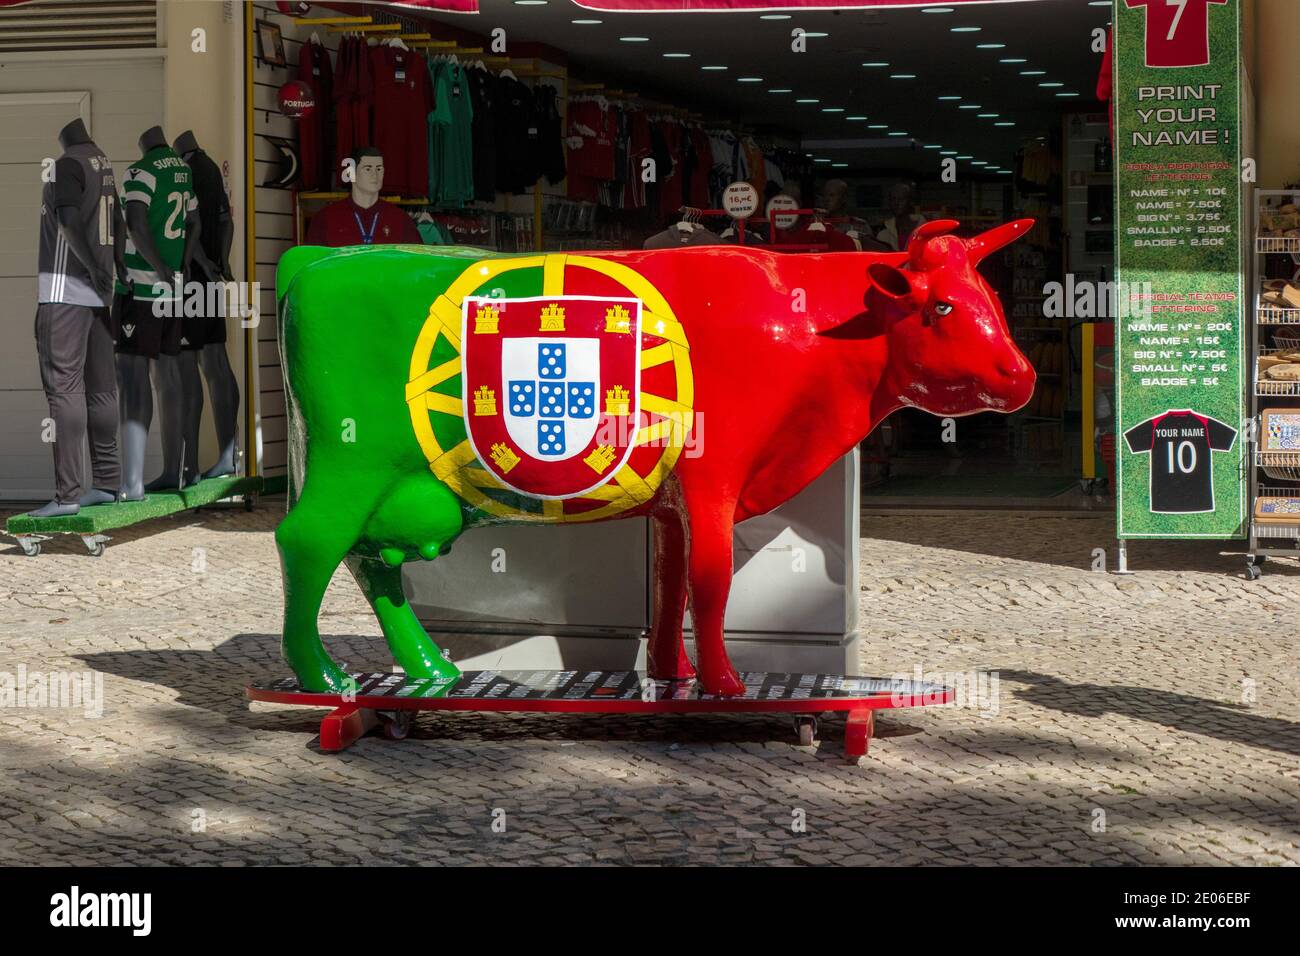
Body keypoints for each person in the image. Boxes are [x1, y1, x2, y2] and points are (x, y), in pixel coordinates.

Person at [27, 118, 125, 518]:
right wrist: (115, 271)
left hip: (64, 292)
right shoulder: (102, 162)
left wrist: (94, 269)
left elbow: (67, 222)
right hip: (100, 298)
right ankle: (106, 483)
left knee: (64, 390)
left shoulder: (66, 164)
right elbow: (118, 222)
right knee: (102, 388)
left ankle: (67, 496)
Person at [305, 146, 421, 247]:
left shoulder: (400, 219)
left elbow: (417, 265)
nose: (375, 174)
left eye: (379, 169)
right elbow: (313, 267)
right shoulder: (325, 219)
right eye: (368, 168)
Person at [876, 182, 929, 252]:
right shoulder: (883, 236)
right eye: (893, 199)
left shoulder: (926, 231)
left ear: (910, 201)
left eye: (901, 199)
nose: (897, 203)